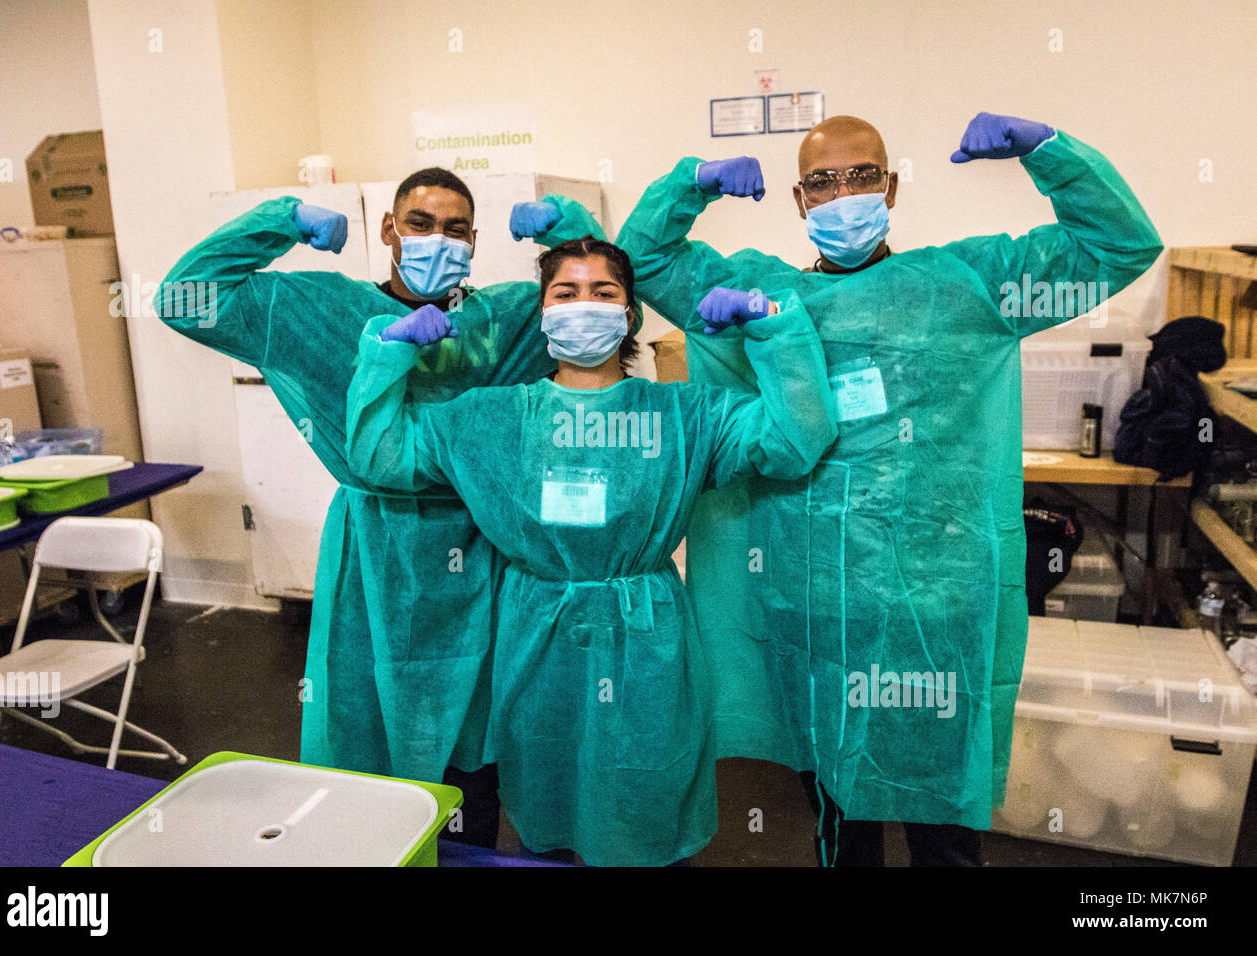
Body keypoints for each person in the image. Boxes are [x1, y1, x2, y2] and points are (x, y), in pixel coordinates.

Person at [616, 112, 1163, 866]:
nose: (844, 195)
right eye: (823, 182)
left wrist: (1047, 152)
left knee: (945, 828)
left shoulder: (971, 288)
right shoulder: (758, 297)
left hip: (931, 614)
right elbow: (638, 260)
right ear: (801, 203)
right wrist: (691, 185)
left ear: (892, 186)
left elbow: (1117, 246)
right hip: (810, 609)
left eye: (862, 176)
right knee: (843, 829)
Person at [344, 237, 837, 865]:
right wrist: (387, 351)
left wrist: (775, 329)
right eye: (565, 292)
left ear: (629, 315)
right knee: (545, 790)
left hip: (647, 637)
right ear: (544, 312)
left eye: (604, 293)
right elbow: (382, 456)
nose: (585, 306)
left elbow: (794, 441)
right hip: (536, 633)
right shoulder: (493, 418)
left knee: (647, 791)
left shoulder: (684, 413)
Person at [154, 169, 602, 847]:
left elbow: (597, 299)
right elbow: (183, 299)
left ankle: (467, 848)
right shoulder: (325, 310)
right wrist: (279, 220)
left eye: (455, 230)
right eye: (420, 224)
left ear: (475, 241)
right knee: (368, 724)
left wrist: (566, 231)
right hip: (374, 551)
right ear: (389, 229)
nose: (437, 241)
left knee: (472, 739)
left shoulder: (500, 322)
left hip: (481, 546)